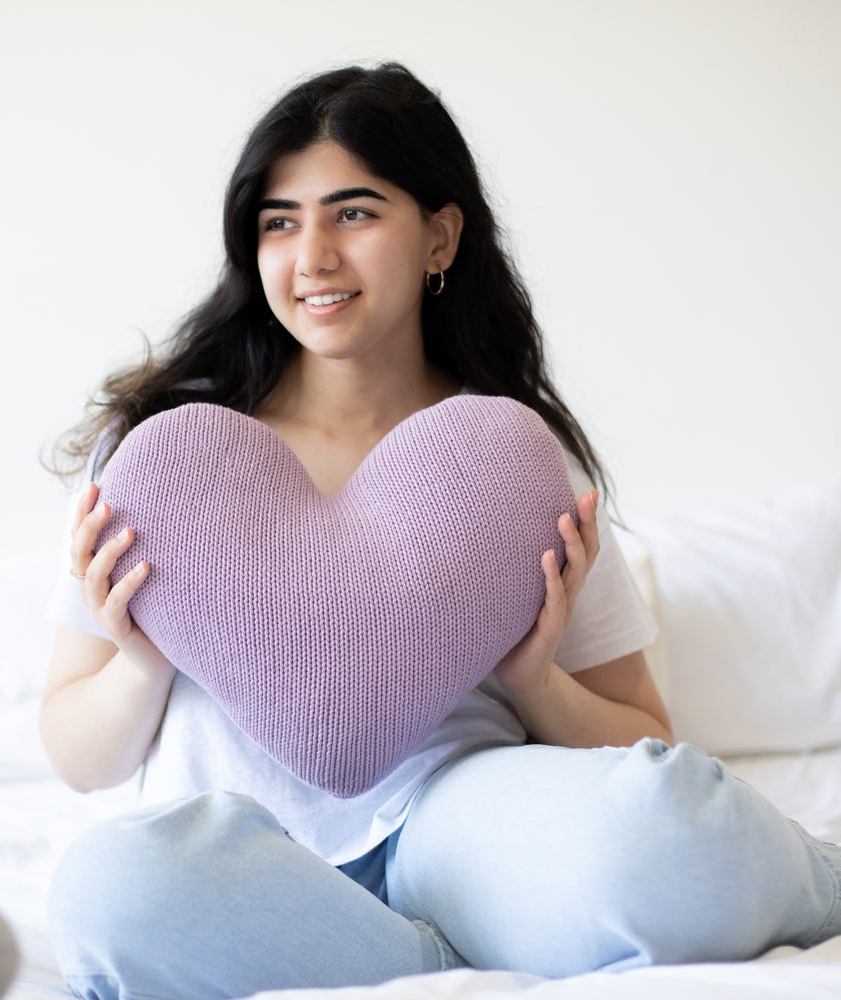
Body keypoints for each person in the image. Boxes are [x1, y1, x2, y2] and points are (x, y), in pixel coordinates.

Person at [41, 63, 841, 1000]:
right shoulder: (162, 461)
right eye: (279, 221)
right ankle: (440, 967)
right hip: (242, 852)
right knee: (109, 894)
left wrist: (531, 678)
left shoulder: (505, 457)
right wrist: (144, 659)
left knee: (669, 833)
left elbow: (643, 735)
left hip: (463, 827)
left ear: (439, 236)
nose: (313, 258)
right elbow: (75, 753)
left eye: (354, 212)